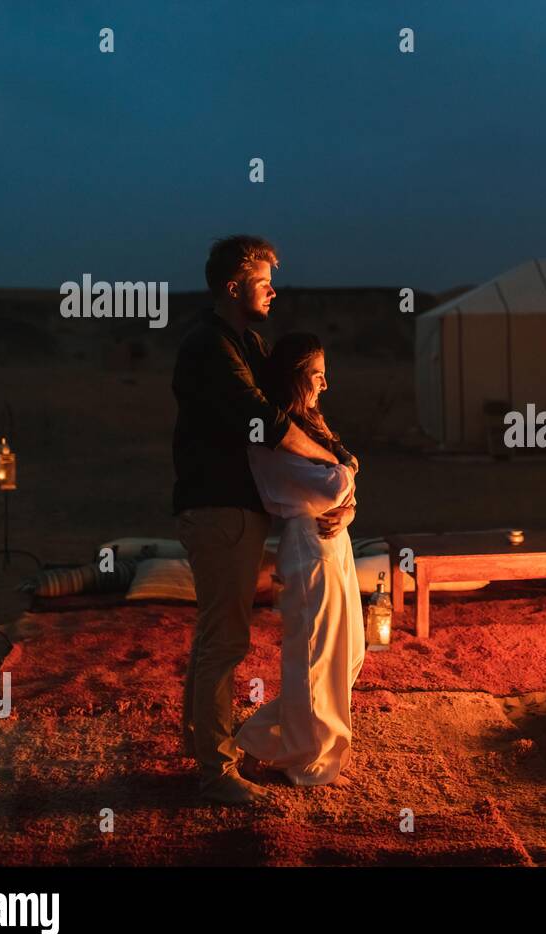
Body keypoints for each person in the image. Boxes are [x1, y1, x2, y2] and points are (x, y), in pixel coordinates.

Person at [172, 235, 351, 805]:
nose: (273, 289)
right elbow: (265, 420)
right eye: (262, 279)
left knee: (217, 638)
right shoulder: (210, 346)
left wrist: (339, 478)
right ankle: (216, 771)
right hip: (218, 505)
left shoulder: (245, 341)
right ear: (232, 286)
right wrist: (337, 465)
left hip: (237, 506)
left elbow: (288, 412)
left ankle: (202, 746)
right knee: (224, 640)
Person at [234, 333, 366, 785]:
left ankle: (256, 740)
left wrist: (345, 498)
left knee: (348, 655)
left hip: (335, 541)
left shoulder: (310, 429)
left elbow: (338, 490)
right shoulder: (271, 438)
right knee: (315, 659)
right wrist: (345, 471)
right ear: (294, 378)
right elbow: (331, 486)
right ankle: (309, 763)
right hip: (307, 546)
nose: (325, 385)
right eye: (317, 375)